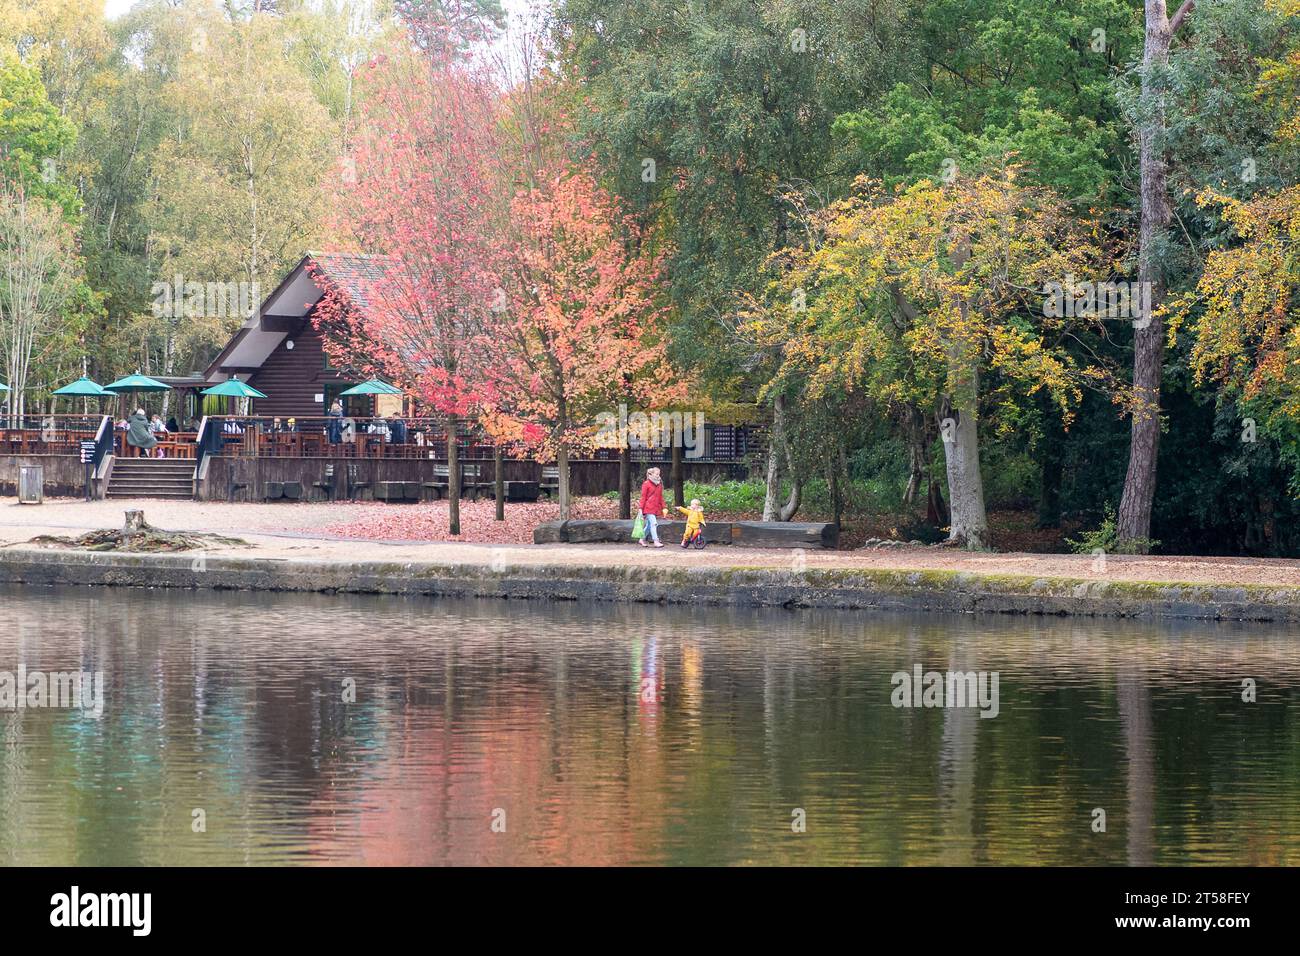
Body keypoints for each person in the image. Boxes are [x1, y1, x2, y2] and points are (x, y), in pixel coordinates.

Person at [637, 466, 669, 548]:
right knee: (654, 524)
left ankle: (641, 538)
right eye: (657, 474)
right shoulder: (646, 484)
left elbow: (660, 497)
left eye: (659, 474)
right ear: (651, 474)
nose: (658, 475)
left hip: (655, 508)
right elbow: (643, 497)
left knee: (648, 525)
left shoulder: (659, 484)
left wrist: (664, 507)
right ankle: (656, 541)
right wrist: (640, 508)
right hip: (648, 508)